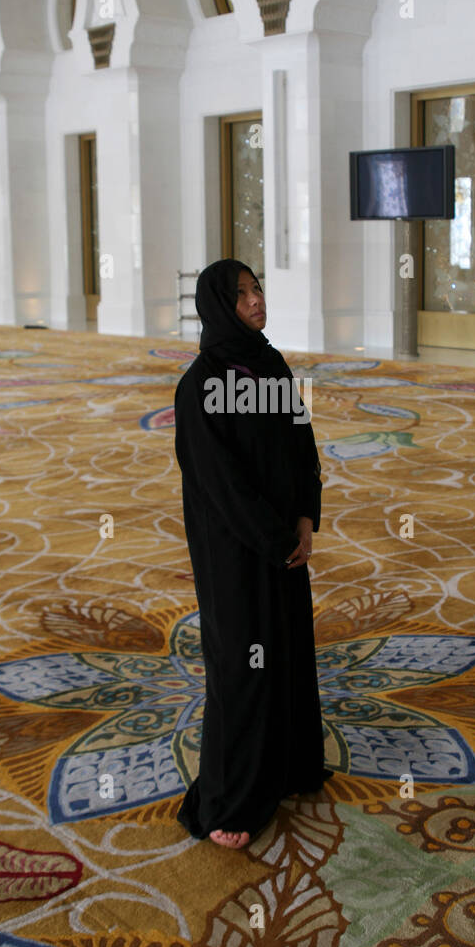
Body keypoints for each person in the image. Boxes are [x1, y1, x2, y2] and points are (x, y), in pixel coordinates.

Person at [173, 258, 332, 849]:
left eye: (256, 288)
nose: (255, 300)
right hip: (236, 556)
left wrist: (306, 519)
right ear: (218, 305)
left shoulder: (270, 366)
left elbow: (302, 446)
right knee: (243, 667)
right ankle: (229, 799)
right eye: (241, 294)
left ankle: (289, 768)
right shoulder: (199, 386)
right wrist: (274, 540)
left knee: (286, 654)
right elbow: (221, 487)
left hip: (286, 544)